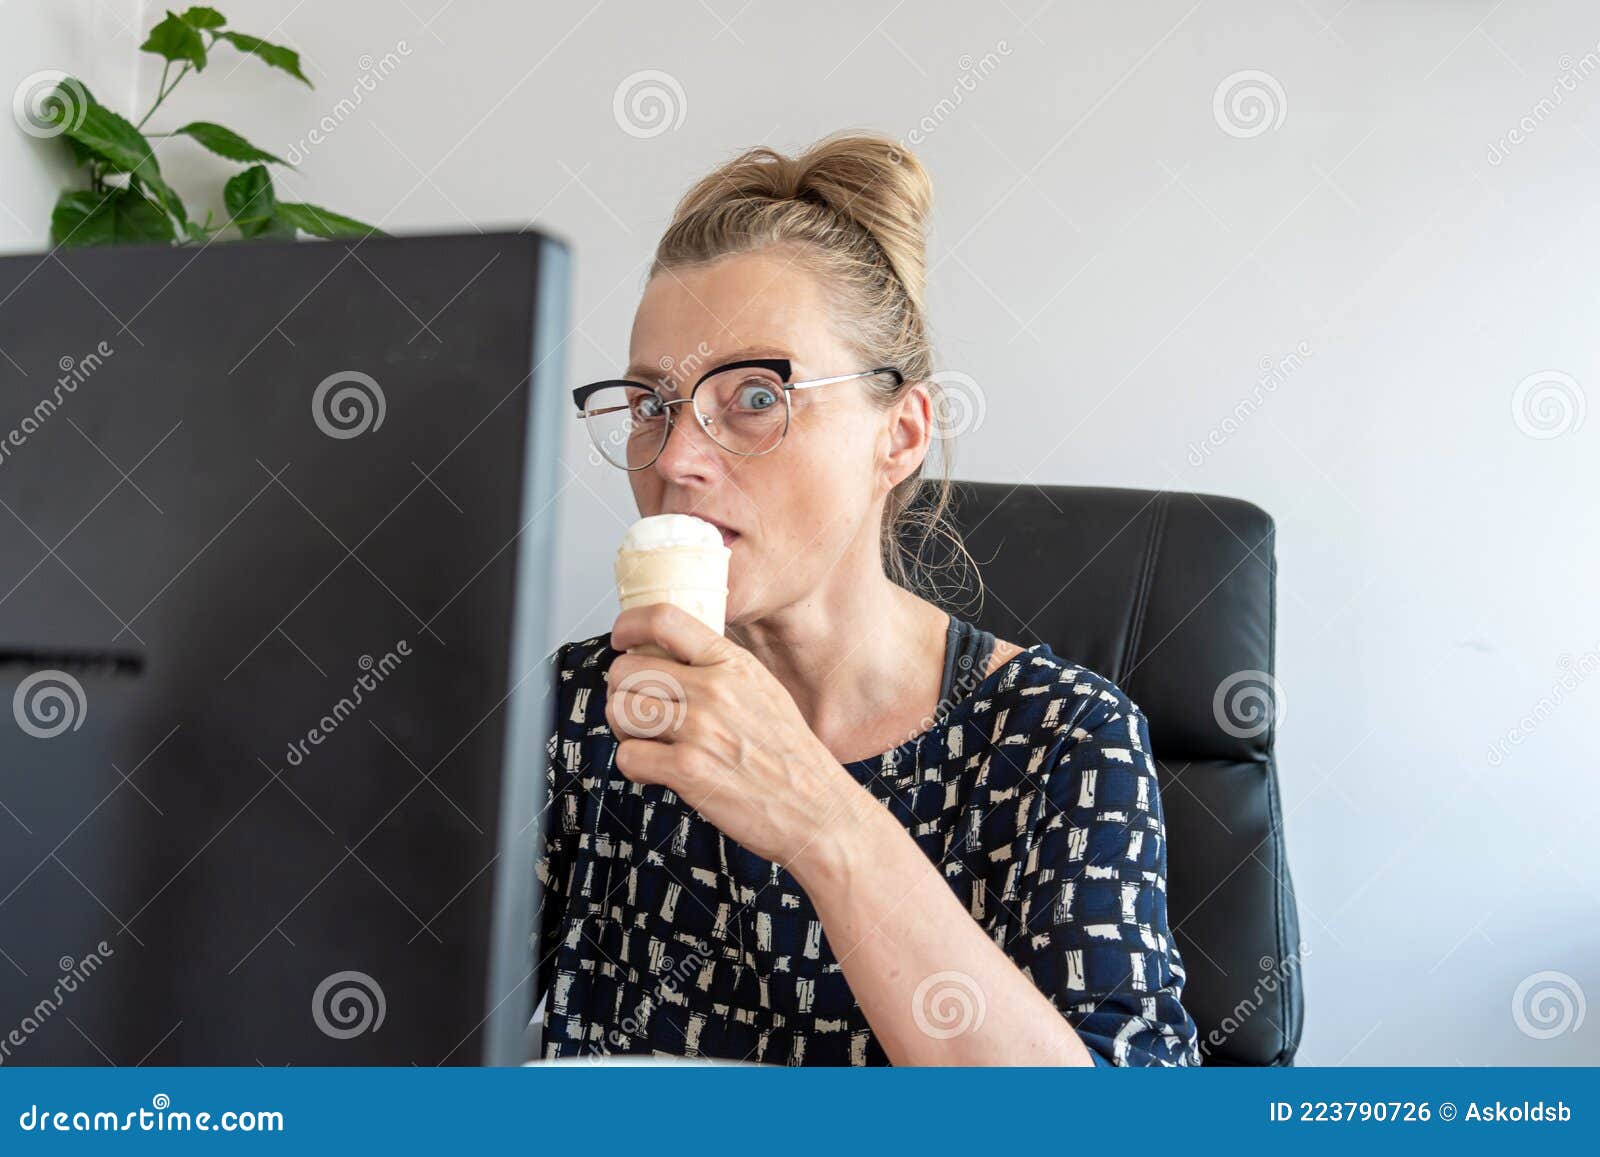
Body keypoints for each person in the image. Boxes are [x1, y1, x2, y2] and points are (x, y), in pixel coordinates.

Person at [538, 129, 1199, 1066]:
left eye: (755, 397)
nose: (676, 458)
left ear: (900, 434)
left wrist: (819, 817)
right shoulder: (580, 711)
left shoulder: (1063, 742)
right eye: (651, 404)